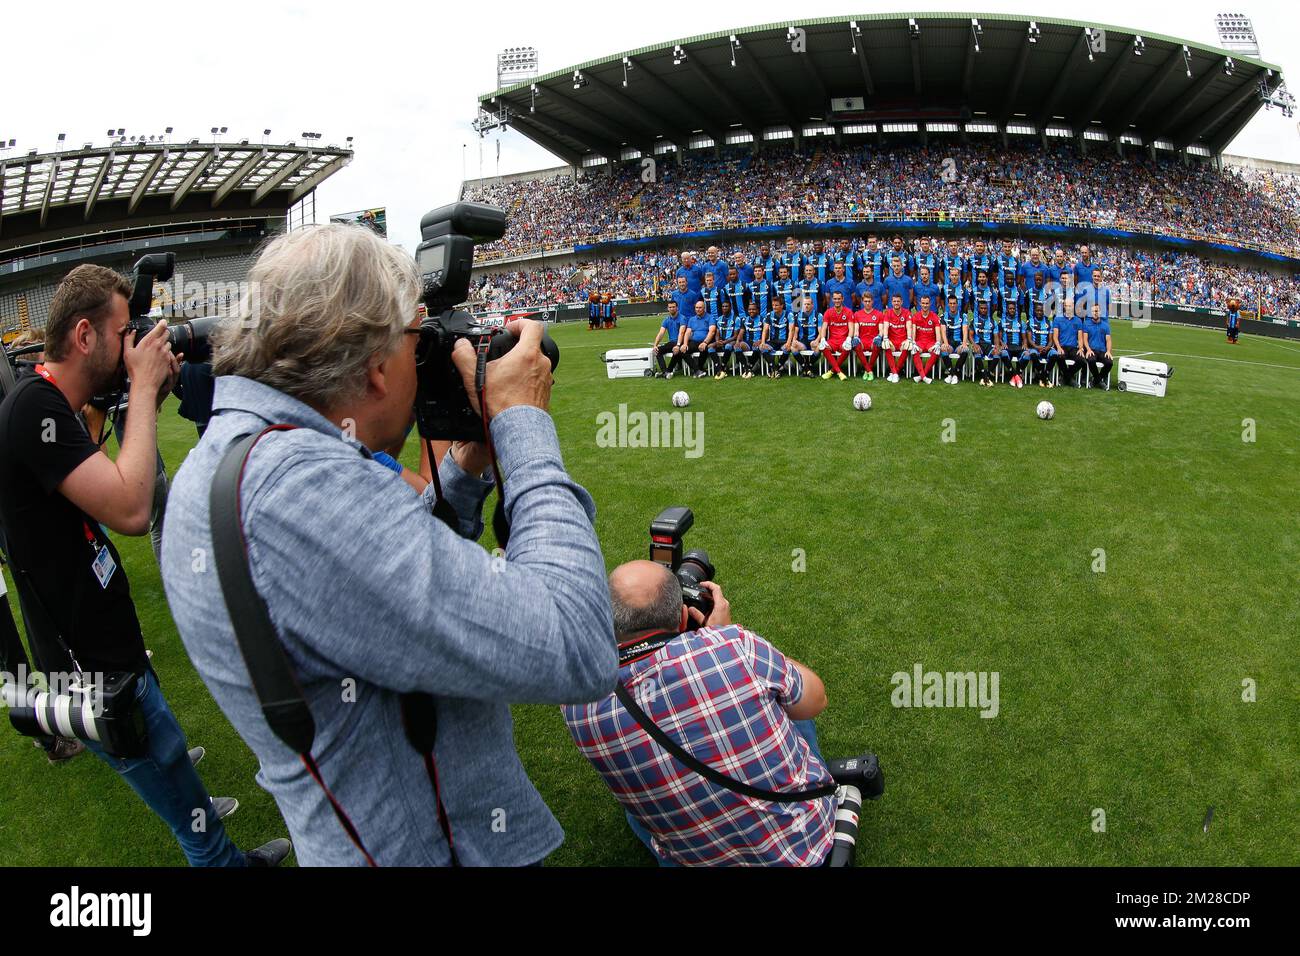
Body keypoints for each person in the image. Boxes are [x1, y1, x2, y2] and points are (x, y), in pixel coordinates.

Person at [161, 224, 618, 866]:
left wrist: (466, 467)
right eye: (416, 339)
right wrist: (523, 422)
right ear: (376, 368)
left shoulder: (236, 455)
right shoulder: (299, 489)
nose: (424, 357)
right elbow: (576, 644)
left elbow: (387, 586)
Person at [0, 264, 286, 864]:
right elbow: (132, 507)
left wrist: (127, 390)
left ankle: (187, 787)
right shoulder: (33, 408)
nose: (136, 343)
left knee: (171, 753)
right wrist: (148, 389)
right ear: (85, 337)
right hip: (92, 667)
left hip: (103, 638)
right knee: (198, 836)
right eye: (125, 331)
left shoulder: (49, 398)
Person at [562, 561, 836, 866]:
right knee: (789, 699)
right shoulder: (733, 645)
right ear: (683, 617)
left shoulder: (575, 702)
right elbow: (816, 699)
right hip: (805, 846)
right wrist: (725, 635)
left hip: (693, 859)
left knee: (635, 815)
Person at [816, 291, 853, 380]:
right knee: (823, 347)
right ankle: (839, 372)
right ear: (832, 299)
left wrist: (848, 339)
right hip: (832, 341)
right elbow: (824, 328)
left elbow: (851, 328)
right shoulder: (828, 312)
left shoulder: (848, 312)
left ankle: (832, 371)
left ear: (842, 299)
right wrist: (823, 339)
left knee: (847, 348)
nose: (837, 301)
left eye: (839, 299)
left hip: (843, 340)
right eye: (835, 299)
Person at [1080, 296, 1114, 388]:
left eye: (1097, 311)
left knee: (1109, 363)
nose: (1096, 313)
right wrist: (1088, 349)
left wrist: (1108, 351)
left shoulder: (1105, 325)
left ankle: (1095, 381)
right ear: (1091, 312)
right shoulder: (1086, 324)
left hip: (1102, 351)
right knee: (1091, 360)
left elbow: (1108, 340)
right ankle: (1099, 381)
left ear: (1100, 312)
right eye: (1094, 311)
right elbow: (1085, 339)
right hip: (1092, 350)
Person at [939, 293, 969, 385]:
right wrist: (946, 343)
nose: (952, 305)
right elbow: (943, 331)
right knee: (943, 349)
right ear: (948, 304)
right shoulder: (943, 316)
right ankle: (953, 374)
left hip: (959, 342)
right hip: (950, 343)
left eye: (954, 303)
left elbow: (965, 330)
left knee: (965, 350)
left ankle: (953, 374)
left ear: (957, 304)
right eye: (951, 303)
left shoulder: (962, 316)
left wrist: (964, 343)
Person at [651, 300, 684, 378]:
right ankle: (665, 371)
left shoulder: (682, 318)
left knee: (676, 350)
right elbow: (661, 333)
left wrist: (678, 345)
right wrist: (655, 345)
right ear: (668, 308)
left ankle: (668, 371)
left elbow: (682, 332)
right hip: (672, 343)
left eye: (673, 307)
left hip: (680, 343)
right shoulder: (666, 320)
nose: (672, 309)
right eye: (670, 307)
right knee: (657, 350)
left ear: (677, 308)